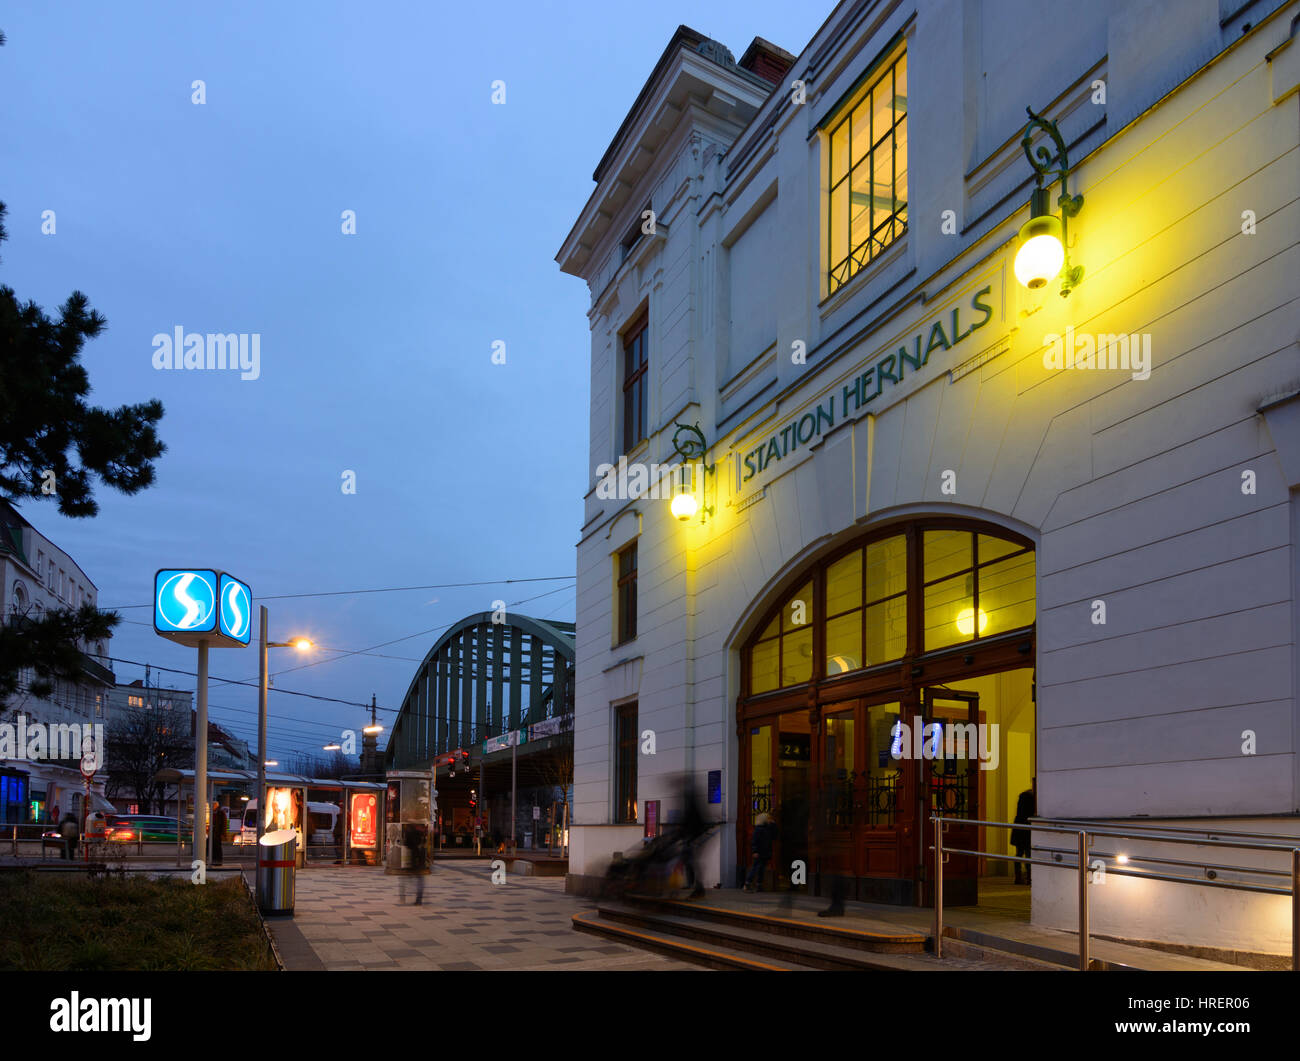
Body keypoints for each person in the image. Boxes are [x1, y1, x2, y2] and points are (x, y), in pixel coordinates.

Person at [743, 813, 777, 892]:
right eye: (768, 818)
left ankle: (759, 885)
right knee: (755, 868)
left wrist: (773, 824)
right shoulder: (758, 829)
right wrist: (755, 851)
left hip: (765, 852)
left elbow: (775, 836)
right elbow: (754, 841)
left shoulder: (768, 828)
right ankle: (747, 884)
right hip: (759, 852)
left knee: (761, 869)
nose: (769, 819)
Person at [1011, 782, 1036, 885]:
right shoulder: (1032, 798)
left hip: (1018, 828)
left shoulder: (1023, 796)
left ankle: (1018, 877)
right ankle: (1029, 877)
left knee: (1019, 854)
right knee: (1029, 854)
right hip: (1027, 830)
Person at [210, 802, 226, 866]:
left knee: (218, 847)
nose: (212, 806)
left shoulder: (221, 813)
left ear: (216, 806)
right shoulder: (212, 813)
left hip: (218, 833)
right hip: (212, 833)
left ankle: (218, 861)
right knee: (213, 847)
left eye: (213, 805)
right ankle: (213, 860)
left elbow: (224, 824)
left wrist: (223, 834)